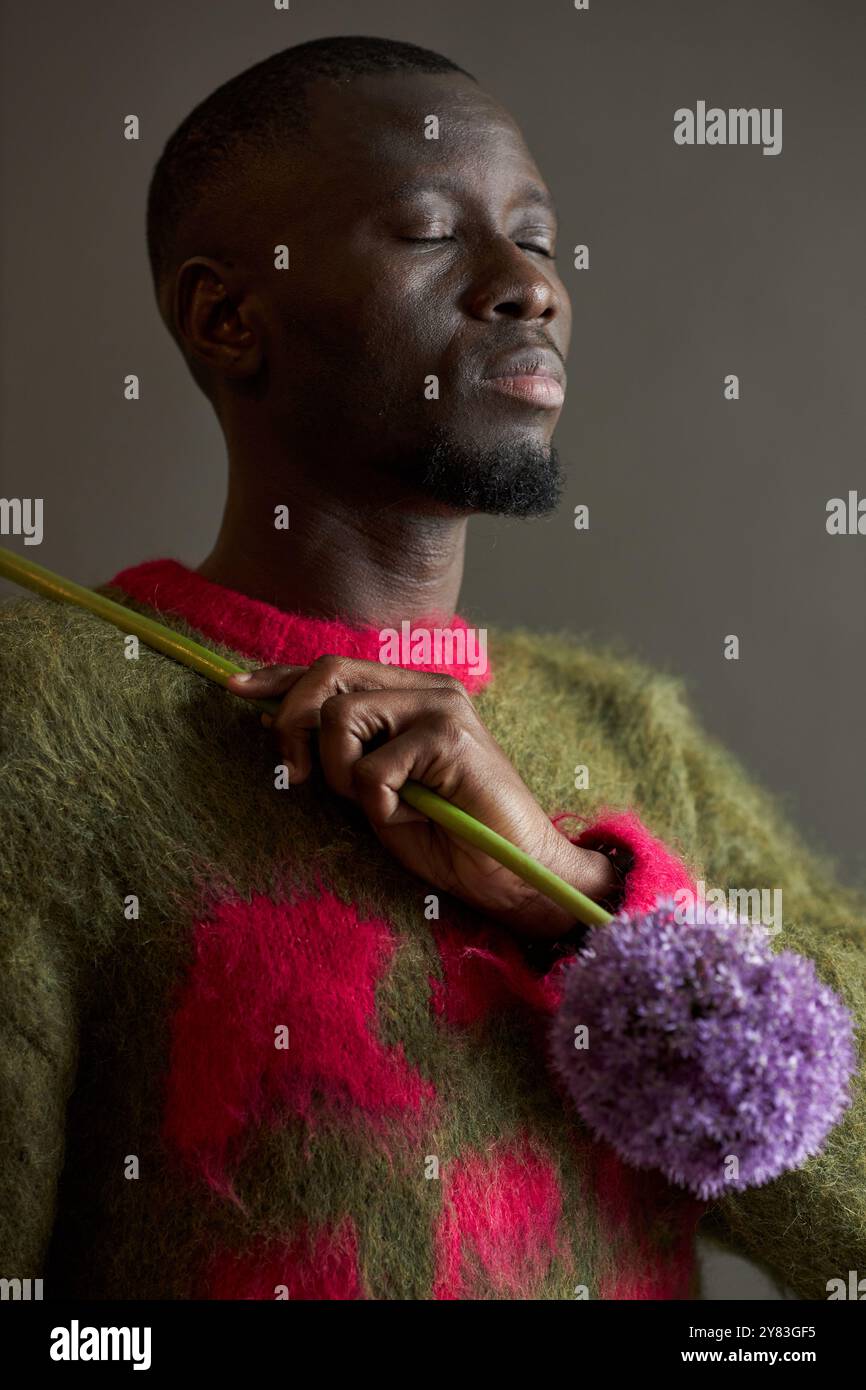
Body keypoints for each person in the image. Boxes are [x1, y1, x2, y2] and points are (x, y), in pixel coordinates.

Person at [1, 34, 863, 1302]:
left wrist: (573, 901)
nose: (527, 285)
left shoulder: (628, 729)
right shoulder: (40, 717)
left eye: (539, 239)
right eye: (424, 231)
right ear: (227, 315)